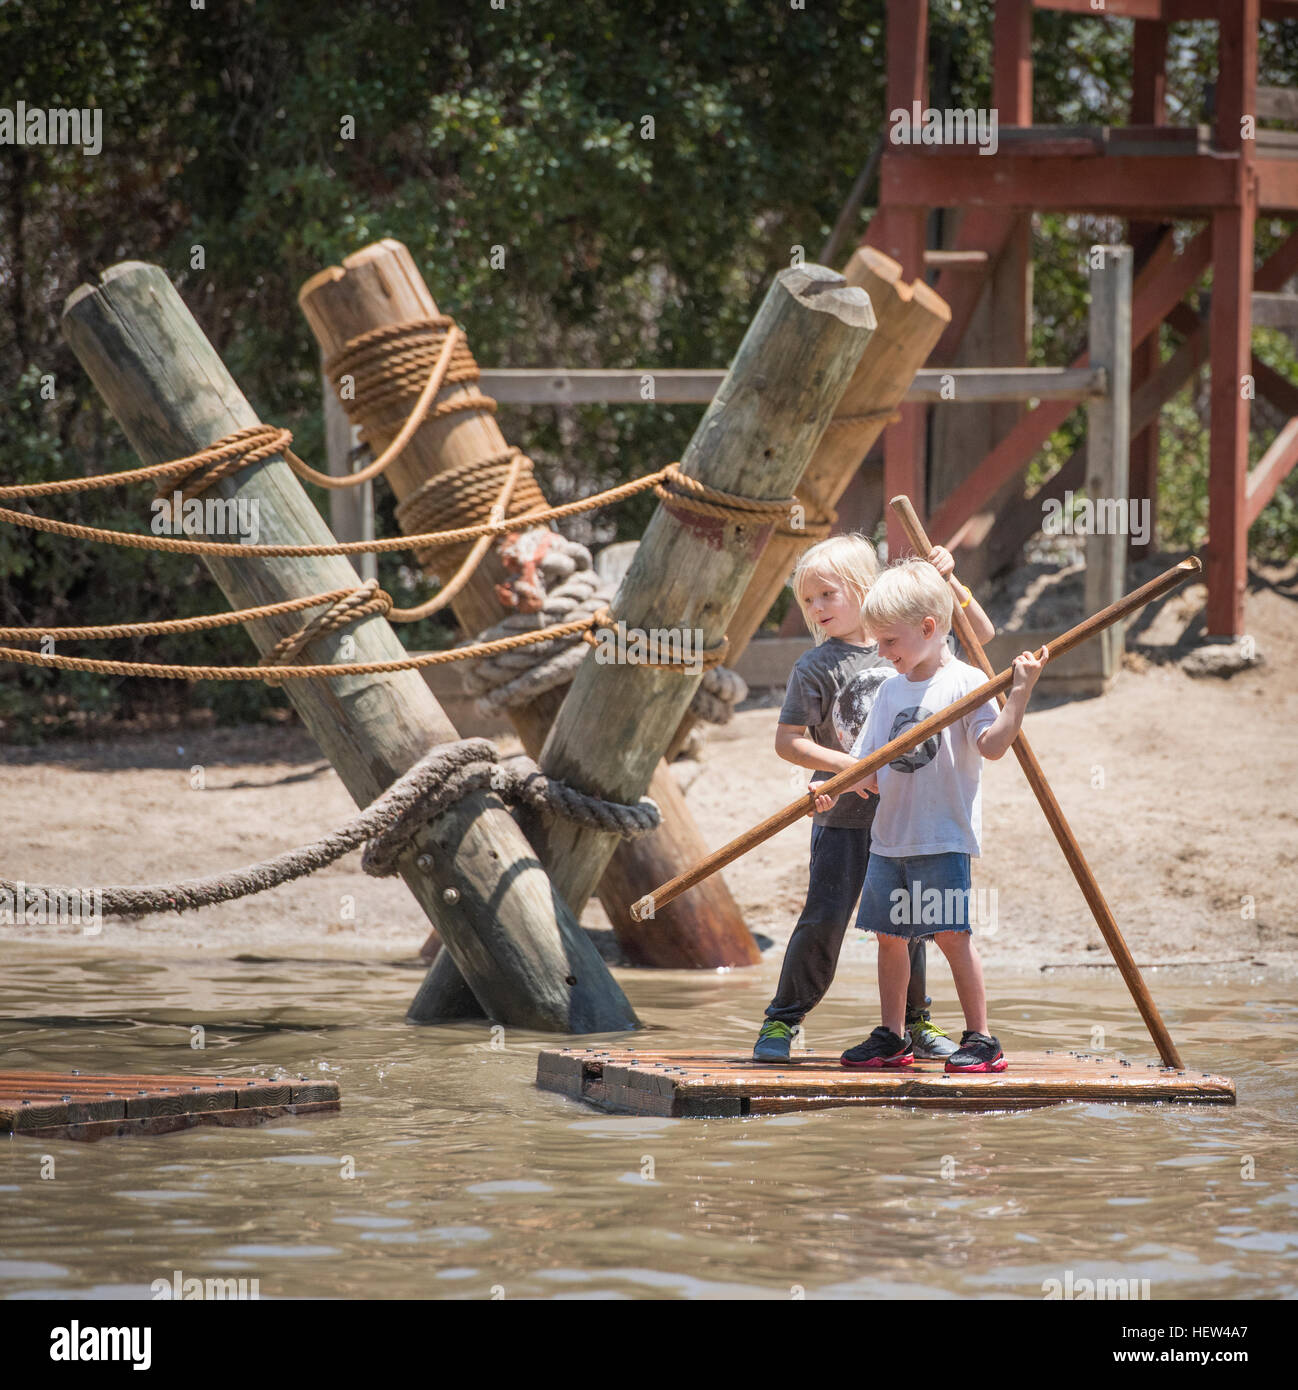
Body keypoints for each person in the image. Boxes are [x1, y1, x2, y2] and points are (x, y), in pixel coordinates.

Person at [752, 533, 995, 1064]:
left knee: (908, 926)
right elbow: (787, 740)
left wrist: (949, 580)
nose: (816, 610)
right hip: (843, 815)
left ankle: (913, 1025)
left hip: (911, 818)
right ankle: (782, 1020)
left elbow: (980, 635)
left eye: (826, 596)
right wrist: (850, 772)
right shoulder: (816, 666)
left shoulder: (909, 641)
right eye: (807, 601)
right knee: (825, 917)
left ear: (866, 589)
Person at [816, 558, 1046, 1073]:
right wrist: (832, 786)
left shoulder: (965, 682)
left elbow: (991, 746)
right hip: (890, 837)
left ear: (927, 628)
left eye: (890, 642)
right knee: (890, 938)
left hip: (942, 836)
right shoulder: (888, 690)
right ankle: (892, 1036)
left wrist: (1020, 694)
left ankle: (982, 1039)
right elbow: (868, 767)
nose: (881, 652)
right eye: (876, 642)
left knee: (951, 936)